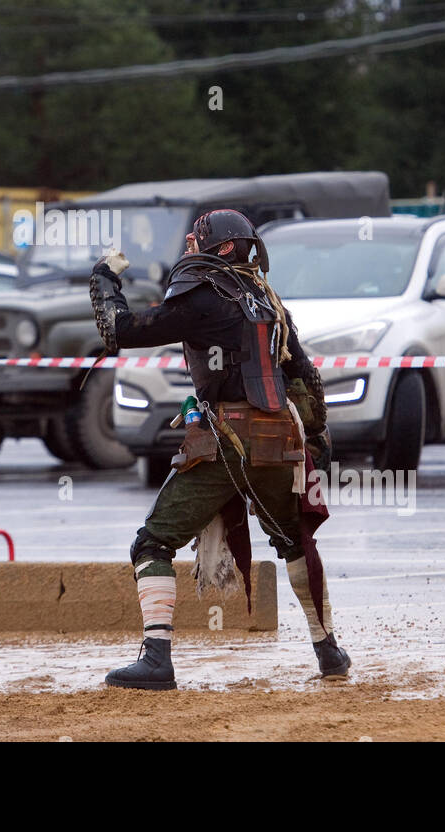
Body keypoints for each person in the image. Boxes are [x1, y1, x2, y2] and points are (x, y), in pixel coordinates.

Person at [89, 208, 349, 689]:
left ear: (223, 247)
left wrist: (105, 277)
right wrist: (315, 439)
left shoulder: (203, 297)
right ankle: (328, 650)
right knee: (294, 542)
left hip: (226, 441)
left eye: (198, 236)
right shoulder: (266, 299)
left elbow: (120, 331)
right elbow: (306, 377)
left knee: (152, 543)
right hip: (281, 441)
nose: (190, 242)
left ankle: (157, 660)